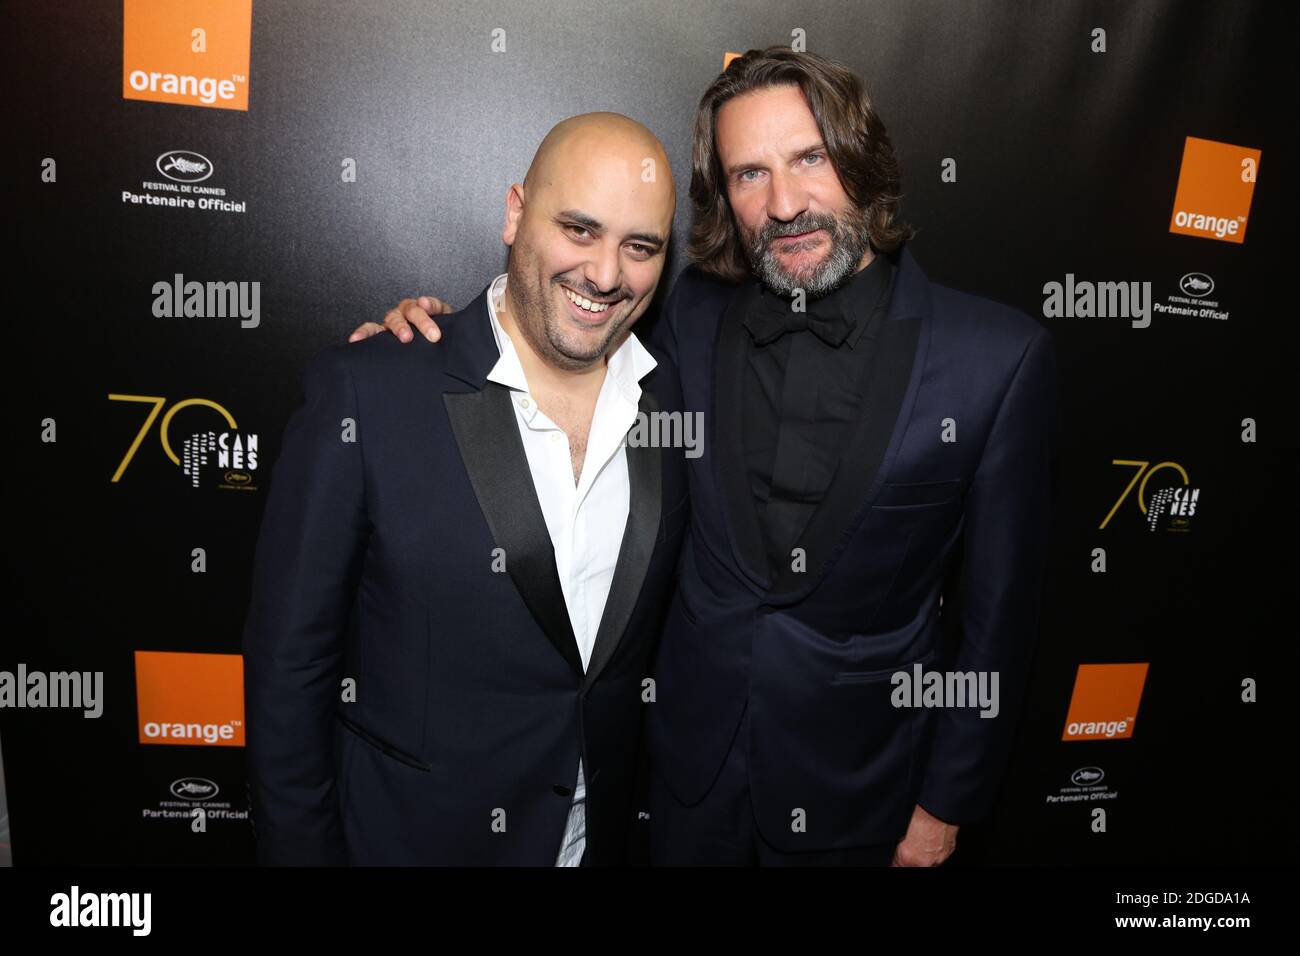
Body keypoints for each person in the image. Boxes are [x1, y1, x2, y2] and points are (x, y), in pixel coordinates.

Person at [352, 47, 1058, 866]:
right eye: (749, 174)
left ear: (863, 160)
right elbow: (555, 330)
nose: (785, 202)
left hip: (865, 796)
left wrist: (945, 805)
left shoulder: (996, 360)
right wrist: (419, 344)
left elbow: (998, 624)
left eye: (809, 159)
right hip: (680, 784)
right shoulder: (690, 318)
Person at [243, 112, 687, 865]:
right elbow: (289, 670)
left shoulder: (669, 404)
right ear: (515, 213)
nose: (606, 275)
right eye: (579, 230)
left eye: (639, 247)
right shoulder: (370, 391)